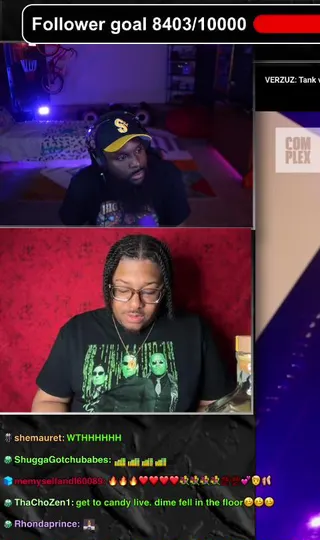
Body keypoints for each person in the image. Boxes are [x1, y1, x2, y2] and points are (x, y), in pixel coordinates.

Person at [32, 234, 233, 413]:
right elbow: (49, 401)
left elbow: (215, 406)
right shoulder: (77, 331)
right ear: (109, 287)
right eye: (122, 290)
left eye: (149, 291)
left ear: (164, 291)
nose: (135, 304)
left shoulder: (194, 330)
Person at [59, 111, 191, 228]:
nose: (136, 163)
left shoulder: (168, 175)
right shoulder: (83, 184)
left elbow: (179, 234)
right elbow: (70, 235)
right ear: (101, 161)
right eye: (122, 157)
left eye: (138, 150)